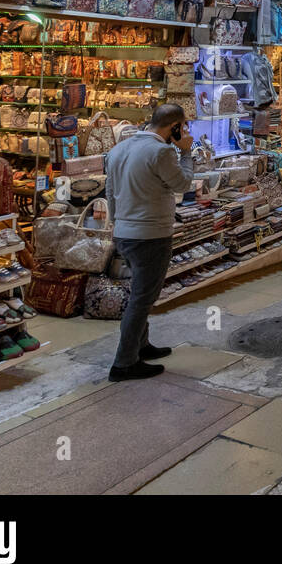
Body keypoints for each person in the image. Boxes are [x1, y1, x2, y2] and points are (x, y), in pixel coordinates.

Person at [104, 103, 195, 381]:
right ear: (175, 127)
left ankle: (140, 346)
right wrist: (187, 152)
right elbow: (182, 184)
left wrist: (118, 223)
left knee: (138, 293)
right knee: (142, 300)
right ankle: (124, 363)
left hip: (125, 233)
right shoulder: (162, 151)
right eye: (184, 127)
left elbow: (110, 193)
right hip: (150, 235)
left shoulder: (118, 149)